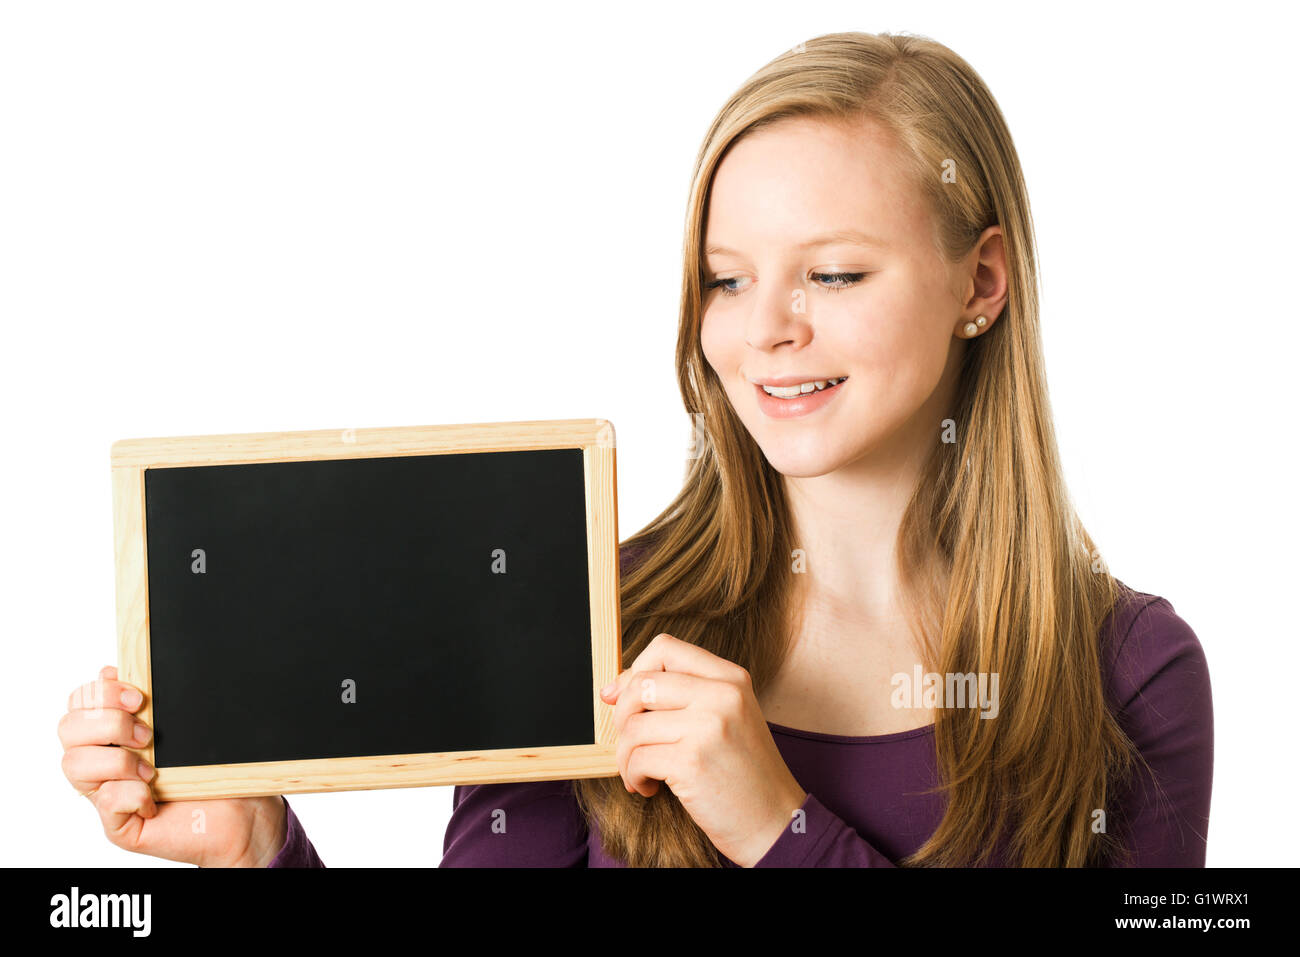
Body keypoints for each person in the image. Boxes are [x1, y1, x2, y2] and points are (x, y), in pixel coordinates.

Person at [59, 31, 1212, 868]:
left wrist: (777, 827)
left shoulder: (1130, 674)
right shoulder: (584, 625)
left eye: (836, 273)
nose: (765, 328)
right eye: (726, 279)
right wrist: (264, 858)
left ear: (982, 281)